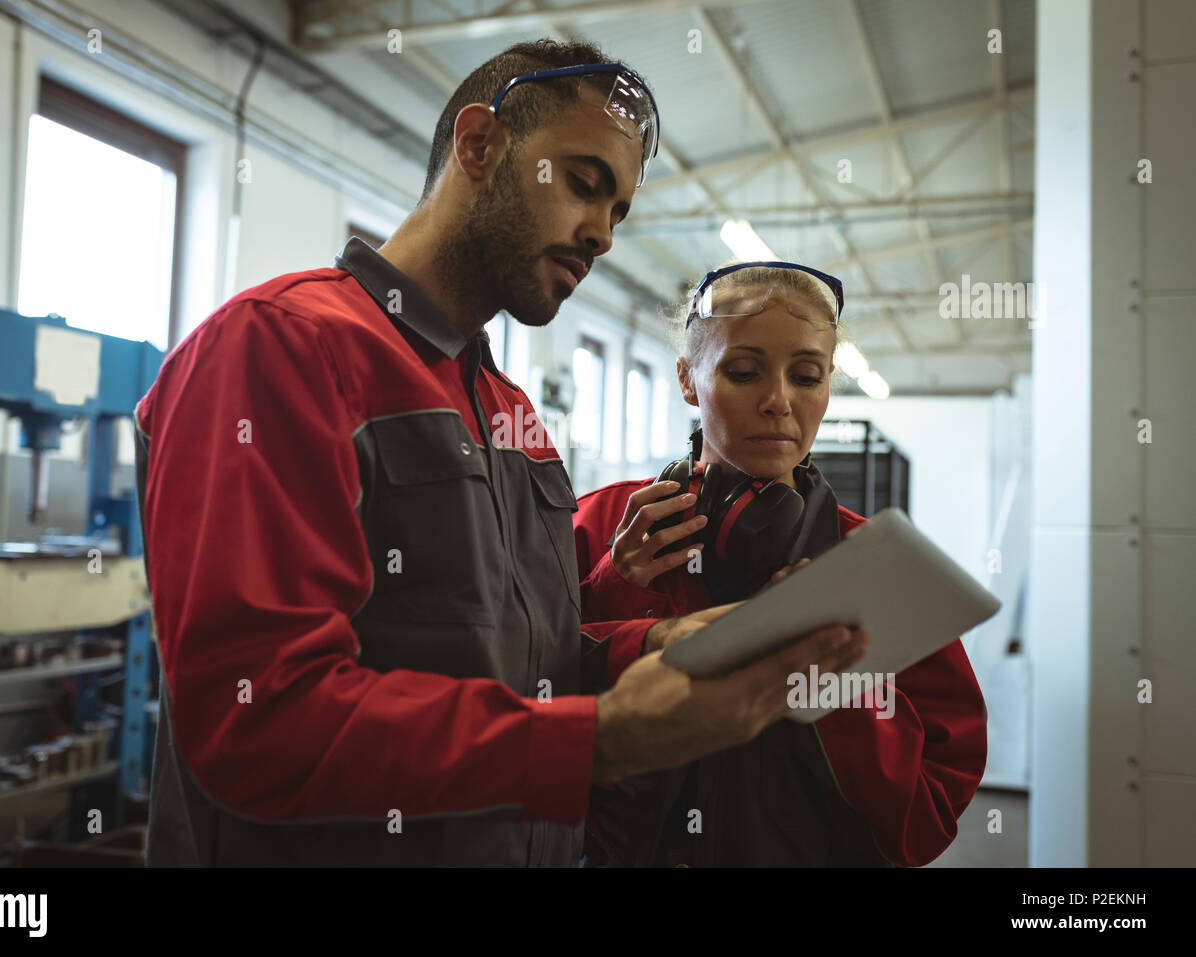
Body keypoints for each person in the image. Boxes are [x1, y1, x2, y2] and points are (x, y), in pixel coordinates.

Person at [133, 41, 869, 866]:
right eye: (584, 185)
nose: (601, 235)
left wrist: (650, 646)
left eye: (618, 211)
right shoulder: (282, 349)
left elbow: (526, 661)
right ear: (479, 145)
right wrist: (602, 740)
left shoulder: (509, 409)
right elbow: (258, 717)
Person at [572, 260, 987, 867]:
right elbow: (513, 699)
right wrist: (612, 587)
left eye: (807, 376)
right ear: (688, 380)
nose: (778, 402)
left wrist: (834, 679)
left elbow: (930, 814)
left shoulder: (879, 566)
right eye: (743, 372)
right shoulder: (603, 525)